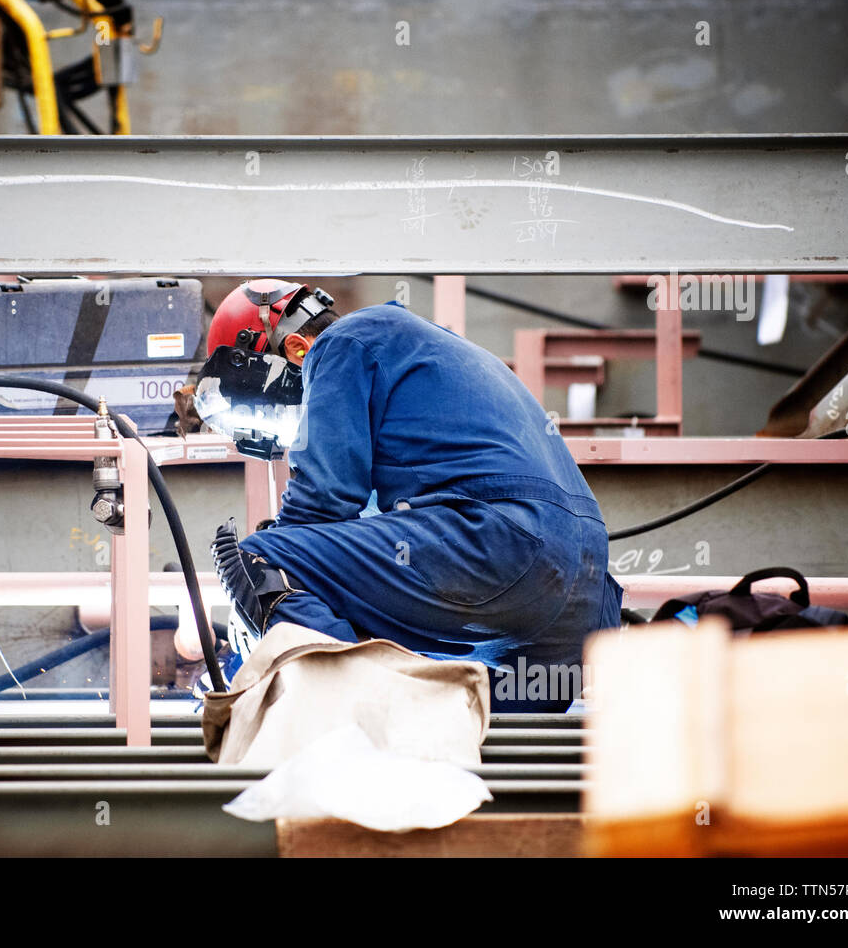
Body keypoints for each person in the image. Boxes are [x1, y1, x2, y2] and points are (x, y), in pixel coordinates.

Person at [203, 279, 623, 712]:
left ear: (296, 349)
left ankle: (364, 715)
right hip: (586, 605)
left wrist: (259, 612)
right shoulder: (424, 351)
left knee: (260, 559)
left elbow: (321, 503)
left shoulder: (343, 342)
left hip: (499, 549)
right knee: (463, 744)